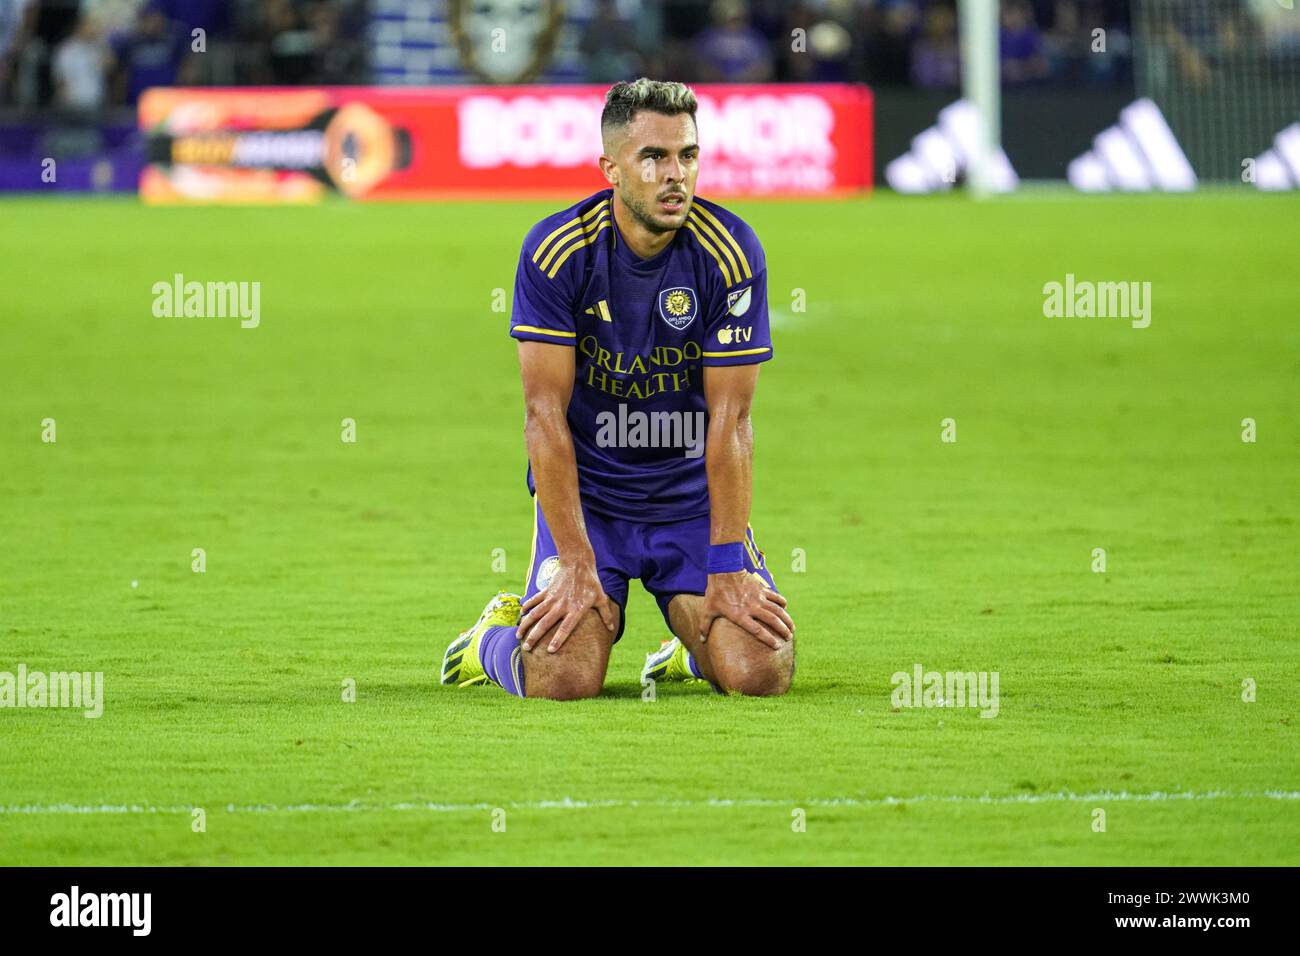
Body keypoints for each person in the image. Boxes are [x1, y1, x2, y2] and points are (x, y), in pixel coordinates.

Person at [441, 78, 796, 701]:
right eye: (653, 157)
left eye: (687, 155)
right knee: (563, 678)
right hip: (592, 501)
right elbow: (543, 417)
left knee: (760, 672)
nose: (675, 175)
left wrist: (726, 567)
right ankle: (487, 642)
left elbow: (732, 421)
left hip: (691, 501)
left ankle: (689, 652)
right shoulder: (558, 252)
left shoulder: (731, 253)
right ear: (610, 167)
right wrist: (576, 560)